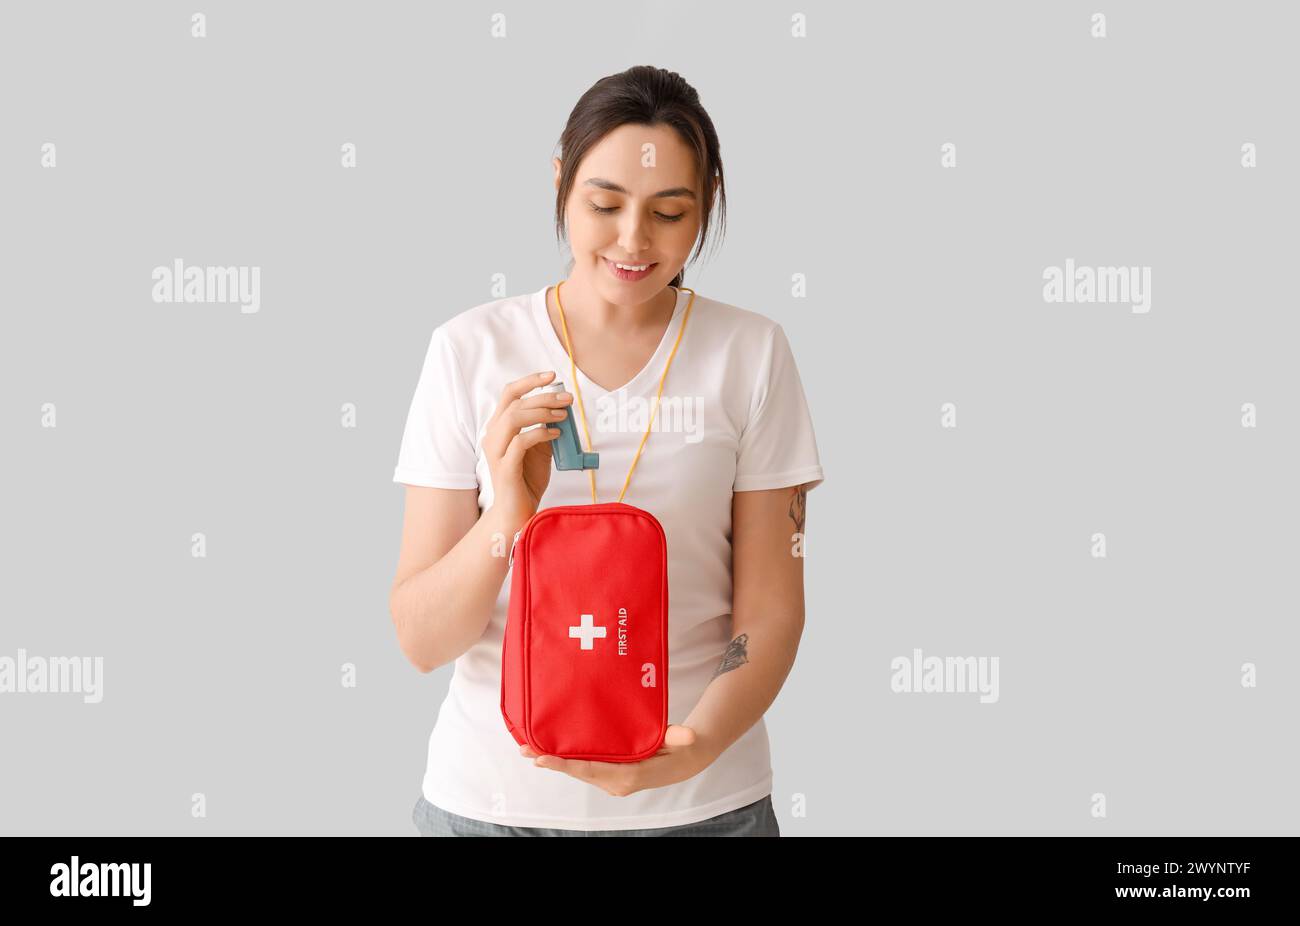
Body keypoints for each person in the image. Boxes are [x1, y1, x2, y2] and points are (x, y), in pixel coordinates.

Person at [390, 65, 823, 836]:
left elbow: (769, 613)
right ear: (560, 183)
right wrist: (507, 517)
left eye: (669, 211)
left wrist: (691, 750)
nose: (633, 240)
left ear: (707, 205)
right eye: (603, 204)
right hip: (488, 811)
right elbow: (422, 640)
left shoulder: (751, 354)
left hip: (703, 808)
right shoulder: (469, 350)